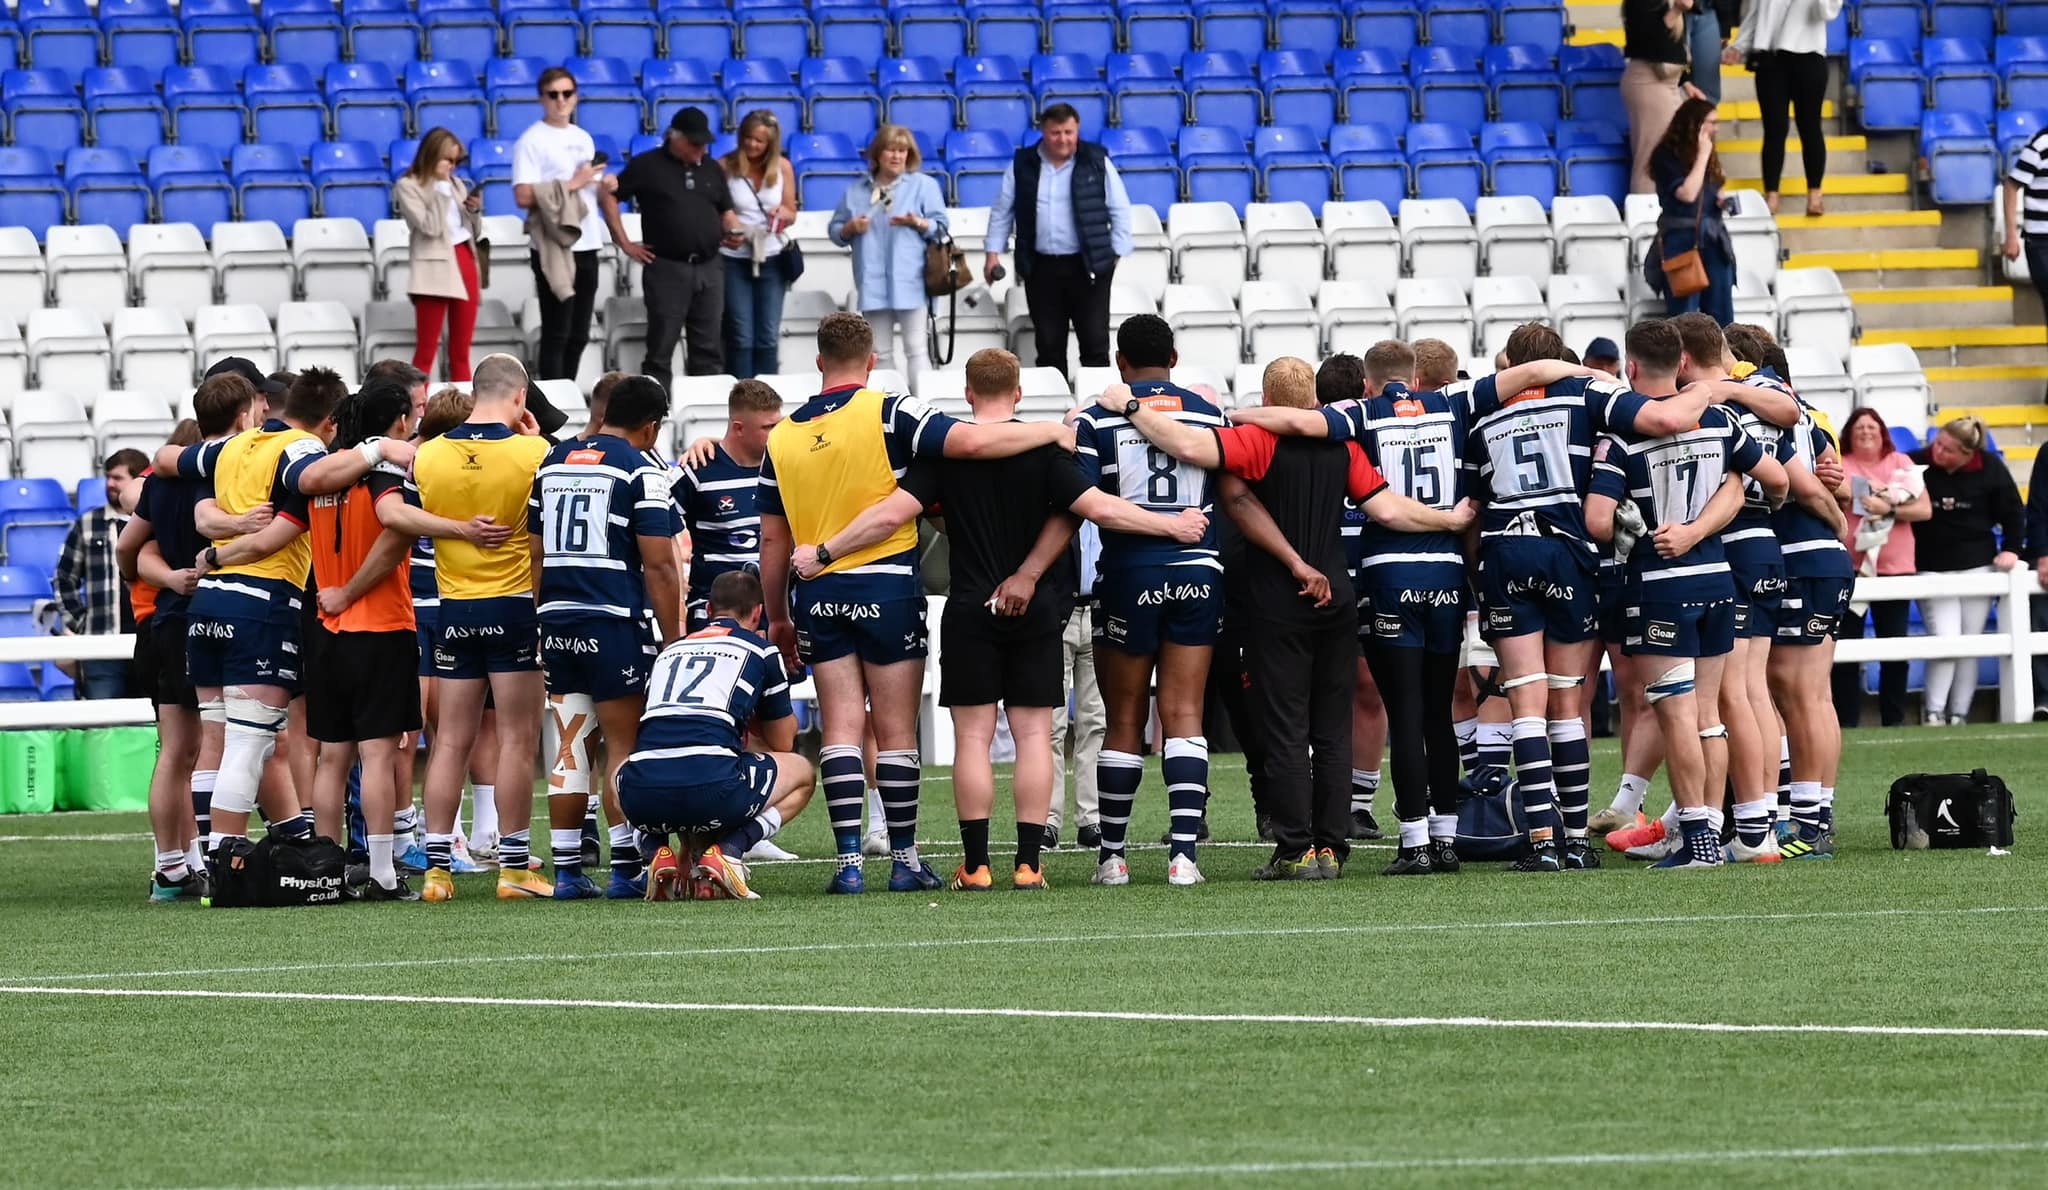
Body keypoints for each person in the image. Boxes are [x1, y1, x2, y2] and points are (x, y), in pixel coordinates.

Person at [791, 347, 1207, 890]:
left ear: (967, 394)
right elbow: (1100, 509)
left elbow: (891, 514)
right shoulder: (1047, 451)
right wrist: (1172, 527)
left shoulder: (945, 456)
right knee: (1036, 737)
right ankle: (1030, 865)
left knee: (973, 740)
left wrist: (825, 552)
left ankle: (977, 865)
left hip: (970, 608)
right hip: (1034, 611)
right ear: (1017, 394)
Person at [1114, 358, 1475, 879]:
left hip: (1277, 600)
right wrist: (1448, 518)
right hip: (1337, 596)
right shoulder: (1341, 445)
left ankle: (1294, 847)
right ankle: (1331, 847)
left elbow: (1188, 448)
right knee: (1333, 727)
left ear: (1266, 397)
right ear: (1312, 401)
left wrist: (1127, 406)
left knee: (1285, 725)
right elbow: (1389, 510)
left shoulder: (1257, 441)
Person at [756, 313, 1072, 895]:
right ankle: (903, 858)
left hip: (818, 591)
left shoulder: (782, 435)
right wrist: (1052, 430)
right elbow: (973, 439)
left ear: (819, 361)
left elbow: (772, 538)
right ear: (871, 361)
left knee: (842, 730)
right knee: (897, 732)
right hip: (885, 586)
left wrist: (777, 613)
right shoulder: (890, 410)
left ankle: (849, 862)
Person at [1585, 319, 1786, 871]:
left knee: (1677, 719)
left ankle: (1696, 840)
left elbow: (1599, 520)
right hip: (1718, 581)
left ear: (1630, 369)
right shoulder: (1719, 419)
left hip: (1659, 588)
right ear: (1681, 365)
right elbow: (1776, 480)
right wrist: (1705, 523)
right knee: (1710, 716)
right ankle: (1727, 832)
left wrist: (1642, 528)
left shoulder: (1621, 434)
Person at [306, 379, 510, 901]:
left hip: (327, 628)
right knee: (377, 756)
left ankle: (326, 870)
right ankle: (380, 871)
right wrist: (460, 528)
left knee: (332, 757)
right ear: (399, 421)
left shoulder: (325, 473)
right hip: (379, 626)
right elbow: (393, 520)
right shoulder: (382, 473)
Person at [1067, 315, 1225, 887]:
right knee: (1184, 713)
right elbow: (1230, 490)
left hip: (1129, 574)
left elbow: (1083, 502)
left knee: (1124, 719)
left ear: (1119, 362)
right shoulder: (1208, 413)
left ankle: (1112, 858)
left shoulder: (1094, 417)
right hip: (1197, 573)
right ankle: (1184, 856)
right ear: (1175, 359)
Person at [177, 368, 352, 873]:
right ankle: (224, 859)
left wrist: (212, 553)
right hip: (261, 604)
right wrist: (375, 452)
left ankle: (270, 840)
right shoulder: (303, 450)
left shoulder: (233, 446)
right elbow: (284, 522)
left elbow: (170, 460)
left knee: (220, 737)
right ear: (332, 422)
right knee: (249, 743)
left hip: (208, 605)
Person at [1319, 342, 1474, 874]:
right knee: (1438, 714)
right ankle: (1448, 839)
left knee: (1404, 713)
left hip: (1390, 571)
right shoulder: (1452, 406)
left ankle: (1414, 843)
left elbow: (1294, 423)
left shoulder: (1361, 412)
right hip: (1446, 576)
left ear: (1367, 382)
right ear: (1414, 375)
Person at [529, 375, 683, 899]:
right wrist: (674, 636)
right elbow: (661, 566)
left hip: (558, 618)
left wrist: (543, 612)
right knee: (623, 743)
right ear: (651, 426)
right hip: (613, 619)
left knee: (571, 745)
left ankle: (568, 871)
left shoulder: (551, 463)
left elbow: (535, 552)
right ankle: (624, 866)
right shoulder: (642, 470)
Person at [411, 353, 551, 901]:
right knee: (517, 741)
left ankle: (437, 870)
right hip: (514, 605)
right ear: (519, 399)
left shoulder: (429, 456)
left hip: (453, 608)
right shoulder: (534, 452)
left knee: (449, 742)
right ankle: (514, 868)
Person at [619, 571, 815, 902]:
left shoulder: (670, 652)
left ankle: (656, 853)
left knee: (620, 773)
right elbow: (782, 742)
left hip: (642, 794)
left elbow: (673, 740)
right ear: (757, 613)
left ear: (708, 610)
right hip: (712, 785)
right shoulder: (762, 651)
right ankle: (730, 850)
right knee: (801, 772)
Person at [119, 419, 210, 901]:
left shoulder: (160, 486)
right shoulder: (193, 486)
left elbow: (129, 545)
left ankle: (179, 862)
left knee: (179, 752)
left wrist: (157, 579)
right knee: (187, 751)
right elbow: (131, 542)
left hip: (158, 625)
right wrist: (173, 580)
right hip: (179, 623)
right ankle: (180, 862)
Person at [982, 104, 1134, 380]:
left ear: (1077, 130)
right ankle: (1055, 411)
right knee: (1049, 345)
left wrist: (1116, 254)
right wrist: (992, 253)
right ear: (1043, 131)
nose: (1063, 139)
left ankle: (1097, 411)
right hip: (1041, 268)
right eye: (1056, 133)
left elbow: (1120, 209)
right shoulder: (1021, 164)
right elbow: (1002, 211)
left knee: (1095, 343)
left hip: (1088, 268)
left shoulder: (1097, 160)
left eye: (1069, 132)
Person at [603, 107, 741, 392]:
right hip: (667, 266)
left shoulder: (712, 168)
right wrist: (624, 243)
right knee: (661, 347)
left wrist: (734, 231)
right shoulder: (646, 165)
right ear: (674, 138)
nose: (700, 149)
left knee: (709, 348)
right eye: (694, 143)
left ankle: (706, 407)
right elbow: (609, 196)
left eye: (704, 144)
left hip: (710, 265)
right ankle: (656, 416)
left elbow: (726, 210)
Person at [1910, 416, 2025, 727]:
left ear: (1966, 454)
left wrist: (2012, 549)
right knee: (1946, 640)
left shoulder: (1989, 467)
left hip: (1978, 564)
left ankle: (1959, 713)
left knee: (1970, 644)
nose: (1939, 452)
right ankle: (1933, 712)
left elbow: (2014, 511)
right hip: (1930, 567)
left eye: (1948, 450)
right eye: (1938, 444)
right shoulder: (1915, 462)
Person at [829, 124, 949, 393]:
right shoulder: (856, 191)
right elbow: (835, 232)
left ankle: (924, 405)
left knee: (916, 348)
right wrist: (849, 228)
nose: (896, 156)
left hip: (913, 280)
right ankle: (890, 409)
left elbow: (942, 226)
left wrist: (917, 222)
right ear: (877, 154)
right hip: (872, 281)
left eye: (902, 150)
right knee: (879, 352)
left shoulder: (924, 186)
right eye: (890, 150)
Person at [1830, 406, 1927, 727]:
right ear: (1849, 434)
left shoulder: (1901, 463)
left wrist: (1888, 507)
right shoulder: (1841, 465)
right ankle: (1846, 720)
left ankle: (1894, 719)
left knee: (1894, 649)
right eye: (1859, 428)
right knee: (1846, 648)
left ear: (1882, 432)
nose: (1866, 432)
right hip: (1852, 567)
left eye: (1872, 427)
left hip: (1896, 567)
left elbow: (1924, 510)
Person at [514, 66, 606, 382]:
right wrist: (572, 183)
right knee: (557, 330)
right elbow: (523, 195)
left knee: (580, 331)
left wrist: (605, 184)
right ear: (542, 98)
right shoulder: (531, 140)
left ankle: (566, 390)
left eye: (567, 93)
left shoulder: (583, 137)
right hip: (553, 242)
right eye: (553, 94)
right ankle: (554, 399)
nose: (560, 100)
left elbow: (590, 188)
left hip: (587, 239)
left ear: (576, 97)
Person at [674, 379, 781, 631]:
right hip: (716, 614)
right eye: (768, 427)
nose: (778, 433)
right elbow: (654, 528)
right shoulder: (697, 471)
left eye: (779, 425)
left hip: (776, 611)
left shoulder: (785, 467)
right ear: (738, 428)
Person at [1727, 0, 1843, 216]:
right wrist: (1740, 46)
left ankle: (1815, 194)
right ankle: (1771, 193)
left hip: (1809, 56)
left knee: (1809, 127)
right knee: (1774, 128)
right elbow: (1756, 13)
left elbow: (1827, 11)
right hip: (1771, 59)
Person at [55, 448, 147, 699]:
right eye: (108, 477)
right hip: (101, 642)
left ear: (138, 480)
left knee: (151, 721)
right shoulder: (87, 523)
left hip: (146, 639)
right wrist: (81, 622)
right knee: (104, 725)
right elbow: (64, 578)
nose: (110, 484)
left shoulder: (153, 521)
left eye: (118, 478)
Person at [395, 129, 484, 382]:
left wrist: (474, 211)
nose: (453, 167)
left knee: (461, 351)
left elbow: (473, 231)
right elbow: (430, 228)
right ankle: (415, 408)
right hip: (433, 267)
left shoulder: (456, 184)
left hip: (464, 258)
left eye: (457, 161)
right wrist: (439, 192)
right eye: (448, 160)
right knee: (427, 348)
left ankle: (464, 410)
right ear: (433, 155)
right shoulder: (409, 185)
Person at [720, 110, 798, 379]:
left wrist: (784, 216)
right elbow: (716, 208)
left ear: (770, 144)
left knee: (767, 334)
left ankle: (767, 399)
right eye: (748, 138)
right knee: (740, 334)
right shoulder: (725, 166)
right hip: (733, 256)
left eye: (759, 141)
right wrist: (727, 225)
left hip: (772, 256)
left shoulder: (783, 167)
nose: (752, 145)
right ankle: (741, 394)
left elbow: (791, 209)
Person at [1648, 97, 1735, 324]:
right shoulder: (1667, 156)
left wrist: (1721, 200)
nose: (1715, 129)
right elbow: (1687, 194)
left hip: (1713, 239)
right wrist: (1703, 156)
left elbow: (1713, 189)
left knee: (1721, 314)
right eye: (1711, 123)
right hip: (1682, 241)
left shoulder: (1709, 153)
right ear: (1694, 124)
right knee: (1685, 317)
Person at [1050, 518, 1106, 852]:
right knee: (1049, 725)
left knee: (1096, 722)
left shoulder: (1109, 488)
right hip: (1059, 612)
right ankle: (1046, 820)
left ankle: (1092, 819)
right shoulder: (1057, 485)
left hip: (1099, 608)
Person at [1623, 0, 1697, 194]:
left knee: (1667, 154)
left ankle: (1662, 212)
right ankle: (1645, 216)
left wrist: (1685, 81)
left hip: (1669, 81)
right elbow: (1648, 42)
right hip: (1648, 81)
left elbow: (1675, 45)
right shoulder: (1641, 5)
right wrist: (1675, 11)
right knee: (1651, 158)